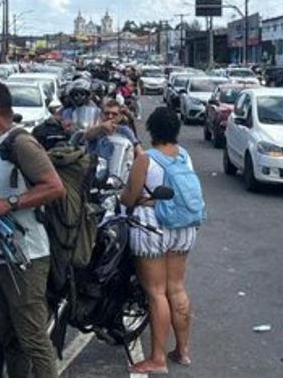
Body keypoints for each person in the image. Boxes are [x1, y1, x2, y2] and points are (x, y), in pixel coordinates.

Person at [0, 82, 64, 378]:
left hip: (26, 257)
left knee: (33, 339)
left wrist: (8, 203)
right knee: (10, 337)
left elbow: (54, 187)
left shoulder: (20, 143)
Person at [119, 106, 198, 374]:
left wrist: (139, 199)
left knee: (156, 293)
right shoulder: (184, 156)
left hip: (151, 227)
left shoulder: (146, 159)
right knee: (176, 288)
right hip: (183, 227)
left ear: (151, 130)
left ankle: (157, 358)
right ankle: (183, 351)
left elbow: (128, 198)